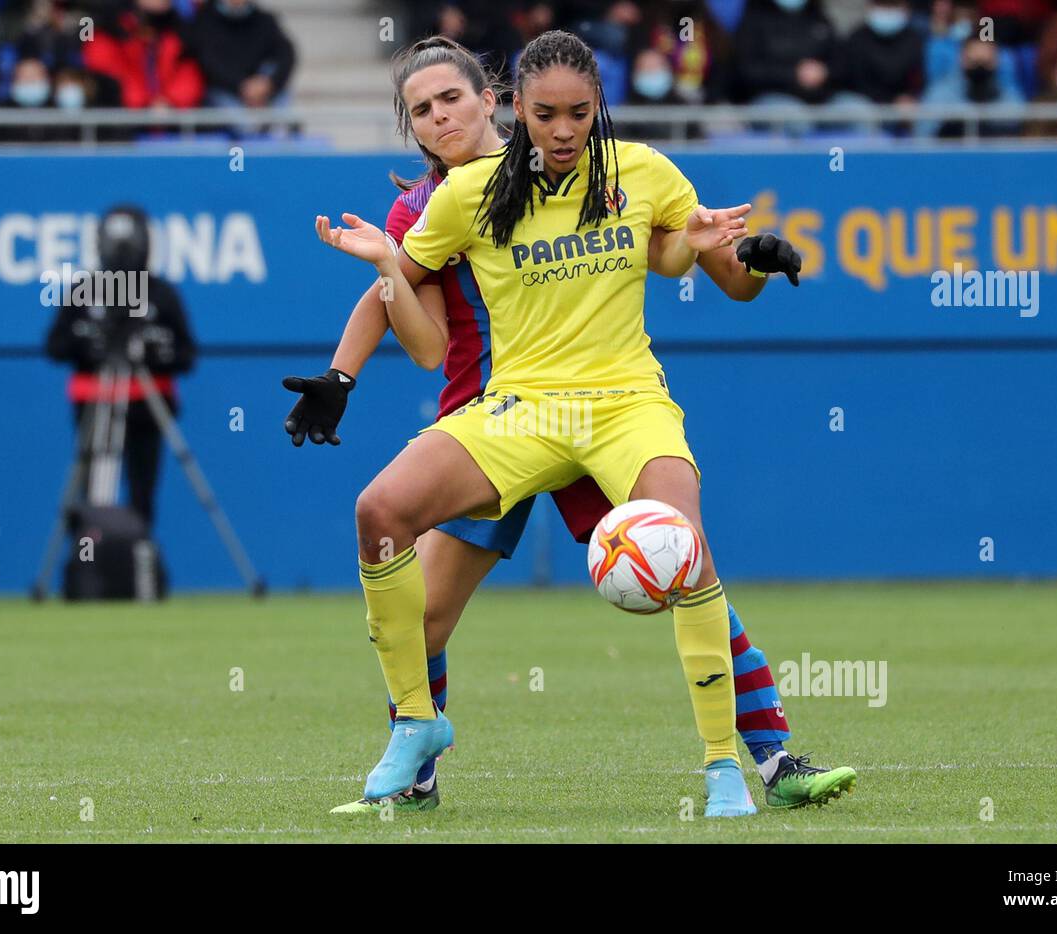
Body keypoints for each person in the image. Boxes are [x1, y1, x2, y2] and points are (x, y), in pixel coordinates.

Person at [303, 30, 856, 817]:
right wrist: (342, 372)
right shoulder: (432, 204)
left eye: (450, 98)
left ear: (491, 100)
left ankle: (766, 760)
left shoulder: (625, 172)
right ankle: (418, 766)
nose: (437, 117)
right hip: (495, 417)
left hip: (608, 409)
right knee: (421, 605)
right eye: (420, 109)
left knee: (677, 561)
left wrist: (743, 259)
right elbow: (417, 336)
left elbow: (683, 254)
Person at [46, 205, 197, 529]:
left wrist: (155, 353)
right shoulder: (84, 290)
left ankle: (137, 562)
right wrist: (88, 346)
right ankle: (92, 562)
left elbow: (187, 355)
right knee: (92, 490)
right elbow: (55, 347)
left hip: (147, 404)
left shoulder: (161, 294)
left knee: (142, 490)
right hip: (94, 402)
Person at [187, 0, 296, 109]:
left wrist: (268, 83)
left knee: (277, 88)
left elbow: (286, 54)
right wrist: (242, 86)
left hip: (263, 89)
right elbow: (208, 63)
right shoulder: (205, 20)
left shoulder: (264, 20)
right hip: (225, 91)